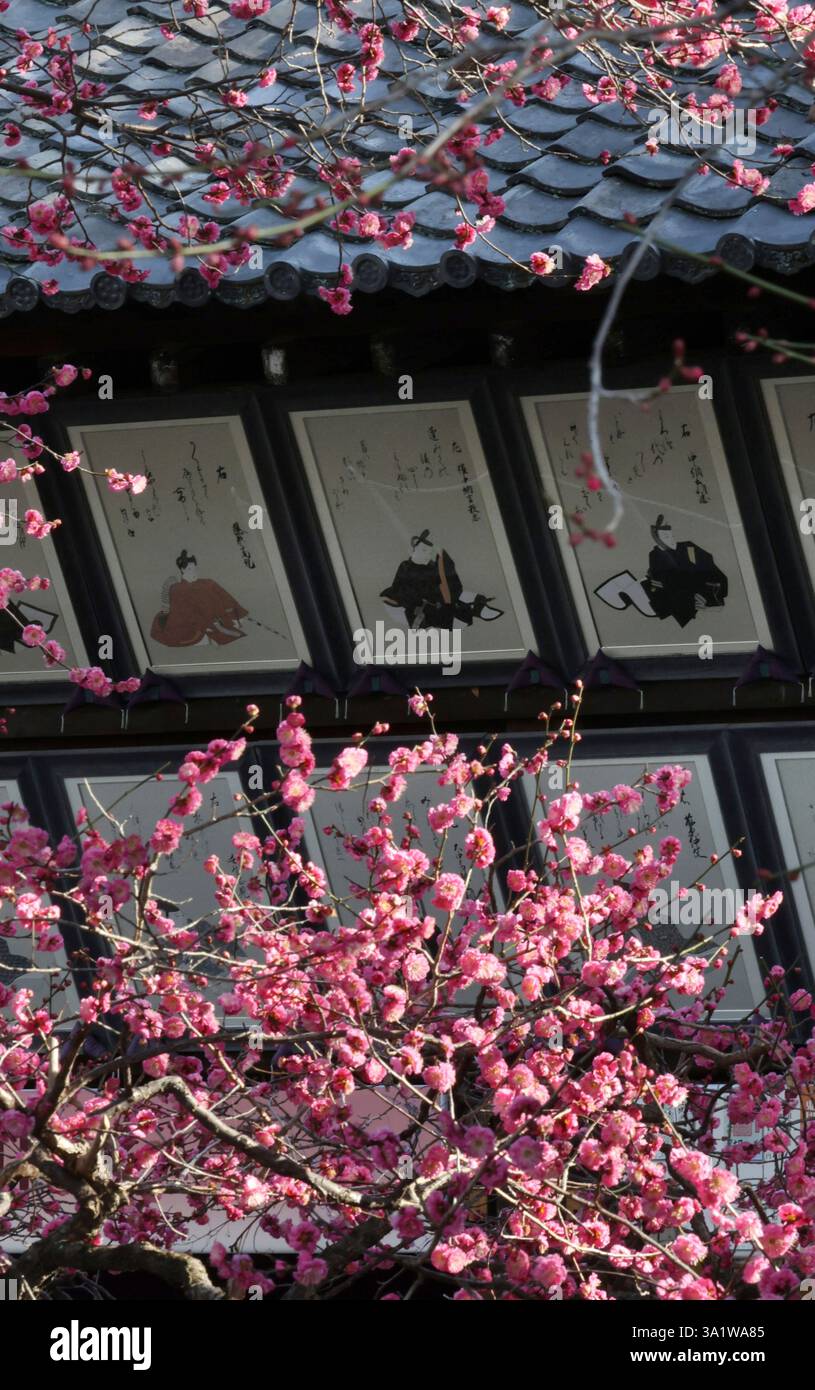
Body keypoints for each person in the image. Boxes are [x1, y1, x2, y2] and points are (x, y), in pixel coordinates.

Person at [594, 516, 728, 629]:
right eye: (664, 534)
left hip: (686, 598)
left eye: (668, 533)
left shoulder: (689, 548)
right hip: (663, 597)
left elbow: (714, 576)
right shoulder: (655, 554)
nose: (668, 538)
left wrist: (709, 601)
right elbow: (659, 578)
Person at [380, 530, 503, 630]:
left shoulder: (430, 567)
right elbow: (404, 590)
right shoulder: (405, 566)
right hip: (416, 603)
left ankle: (479, 607)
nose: (427, 555)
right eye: (423, 550)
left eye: (429, 552)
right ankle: (476, 610)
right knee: (452, 612)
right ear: (412, 550)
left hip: (433, 597)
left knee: (458, 595)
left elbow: (444, 581)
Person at [150, 549, 249, 647]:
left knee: (209, 585)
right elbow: (184, 612)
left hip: (214, 618)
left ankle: (233, 617)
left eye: (194, 568)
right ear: (182, 570)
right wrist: (211, 624)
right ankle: (215, 628)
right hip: (191, 622)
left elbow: (223, 598)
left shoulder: (206, 583)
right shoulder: (177, 588)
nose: (193, 572)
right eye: (189, 569)